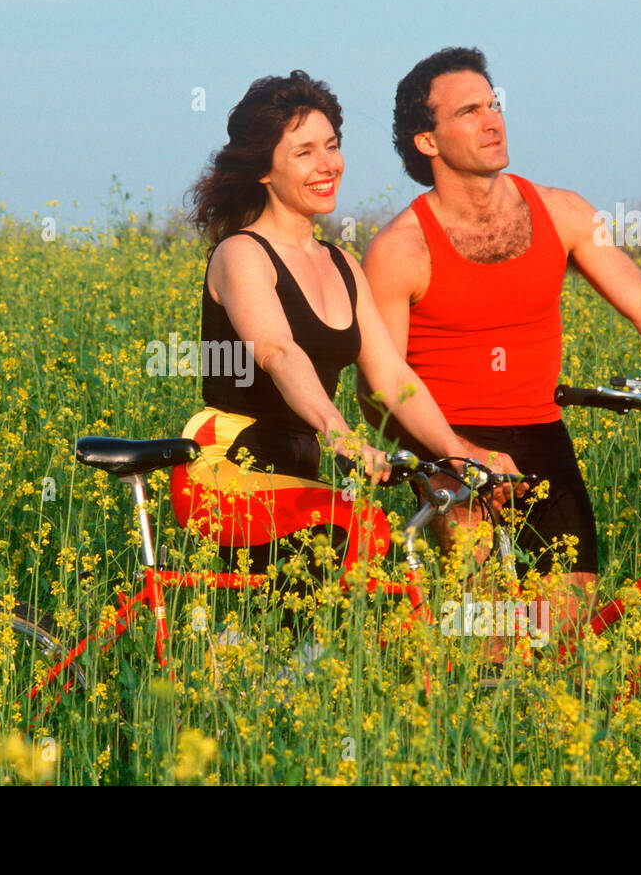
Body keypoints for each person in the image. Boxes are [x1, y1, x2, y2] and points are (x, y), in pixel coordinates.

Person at [358, 46, 641, 635]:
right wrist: (450, 459)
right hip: (451, 449)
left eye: (494, 105)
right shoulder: (400, 249)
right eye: (469, 111)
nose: (493, 120)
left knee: (564, 633)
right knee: (493, 640)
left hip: (543, 437)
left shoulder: (563, 213)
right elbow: (377, 390)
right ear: (428, 141)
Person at [169, 70, 519, 633]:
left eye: (331, 145)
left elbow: (389, 373)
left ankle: (301, 690)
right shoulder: (241, 255)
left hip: (302, 471)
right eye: (304, 151)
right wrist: (341, 433)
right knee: (356, 534)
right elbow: (280, 352)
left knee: (349, 581)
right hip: (226, 465)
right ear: (264, 168)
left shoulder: (342, 264)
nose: (326, 164)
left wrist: (458, 452)